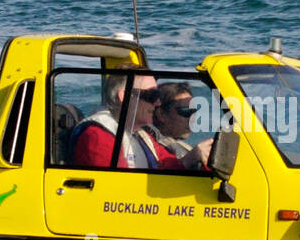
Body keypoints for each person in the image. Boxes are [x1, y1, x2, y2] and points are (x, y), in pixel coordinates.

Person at [70, 64, 211, 169]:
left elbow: (167, 165)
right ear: (125, 96)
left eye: (158, 95)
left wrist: (193, 157)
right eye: (152, 95)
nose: (157, 102)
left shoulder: (140, 134)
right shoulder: (98, 136)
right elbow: (113, 188)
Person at [148, 81, 196, 159]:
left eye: (193, 111)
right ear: (161, 114)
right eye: (185, 111)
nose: (192, 119)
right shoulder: (157, 153)